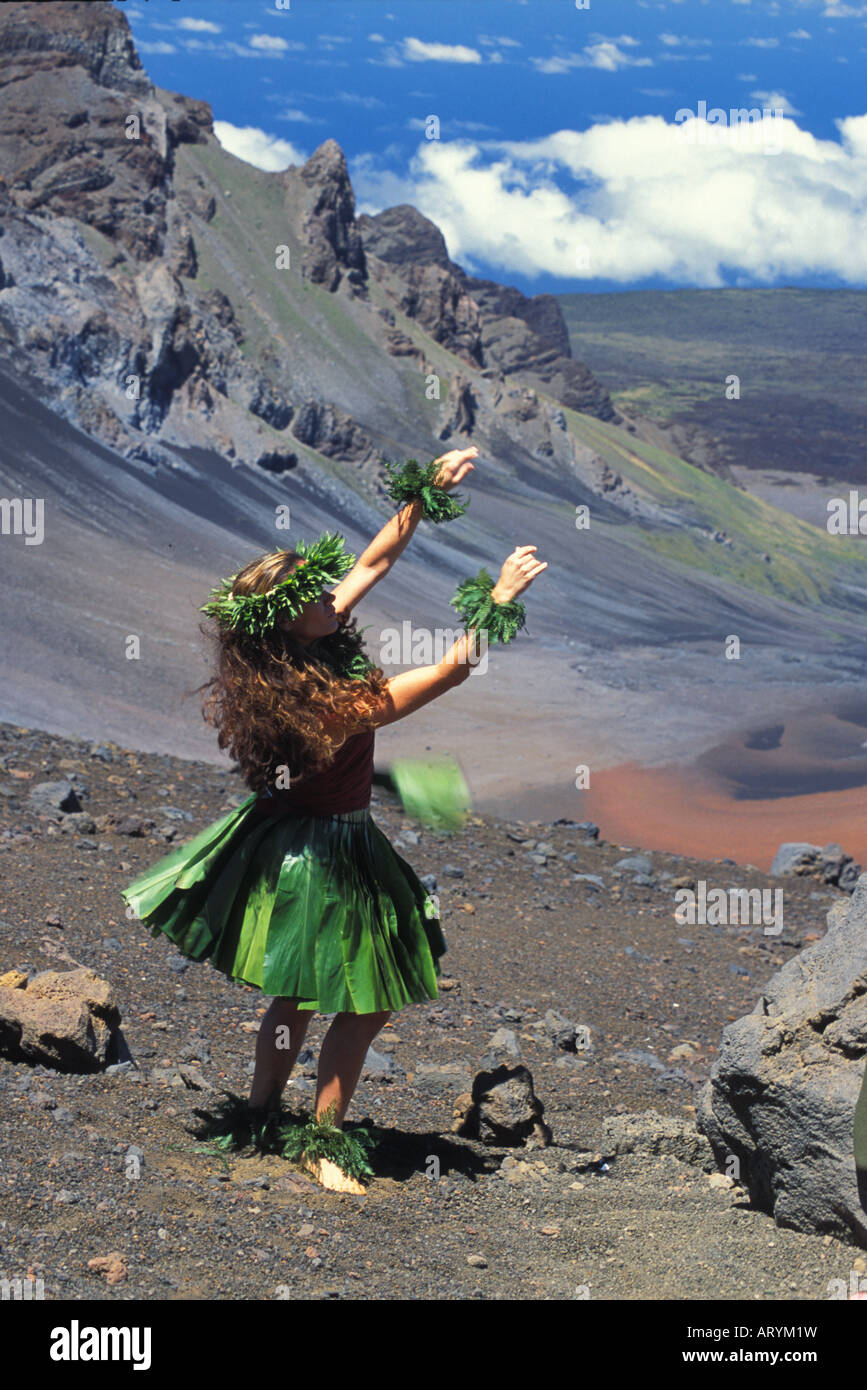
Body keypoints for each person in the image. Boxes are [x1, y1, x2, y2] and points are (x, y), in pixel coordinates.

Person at [121, 447, 546, 1192]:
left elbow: (374, 563)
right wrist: (500, 597)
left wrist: (424, 494)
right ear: (290, 622)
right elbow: (449, 670)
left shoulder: (287, 661)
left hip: (292, 834)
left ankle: (260, 1116)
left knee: (299, 992)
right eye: (316, 597)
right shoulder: (324, 704)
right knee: (363, 998)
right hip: (327, 852)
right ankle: (324, 1144)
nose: (332, 596)